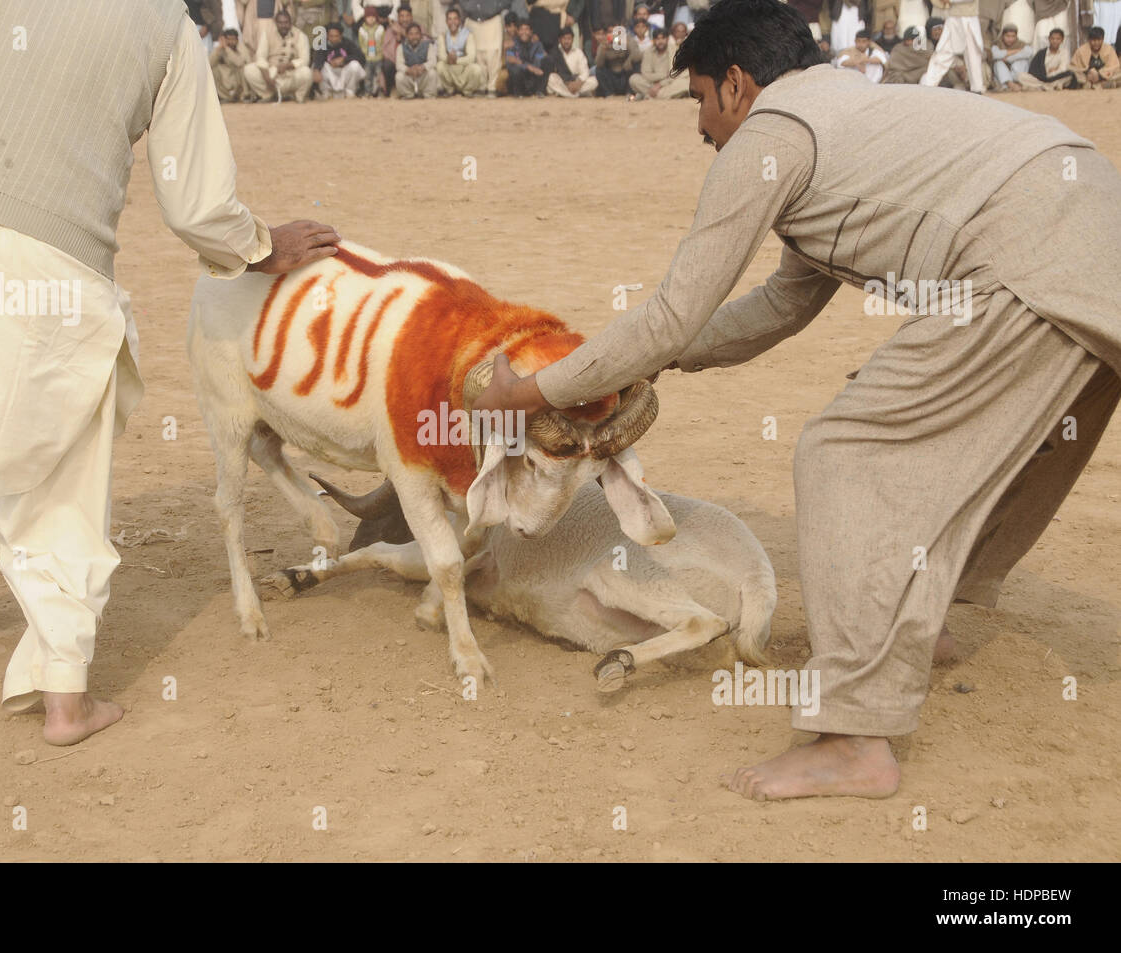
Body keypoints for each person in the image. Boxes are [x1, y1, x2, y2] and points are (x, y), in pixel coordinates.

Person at [471, 0, 1121, 801]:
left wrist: (532, 389)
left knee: (843, 452)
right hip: (1089, 223)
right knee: (966, 433)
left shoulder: (772, 136)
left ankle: (855, 737)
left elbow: (674, 311)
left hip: (1026, 252)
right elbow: (779, 306)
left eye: (701, 99)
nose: (700, 125)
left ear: (737, 85)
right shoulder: (840, 112)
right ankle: (914, 627)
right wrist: (650, 364)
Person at [0, 0, 340, 745]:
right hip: (50, 253)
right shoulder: (167, 28)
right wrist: (261, 244)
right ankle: (63, 690)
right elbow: (194, 202)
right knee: (65, 458)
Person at [246, 8, 314, 102]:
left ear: (291, 23)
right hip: (271, 74)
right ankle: (268, 96)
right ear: (275, 23)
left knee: (307, 72)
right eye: (280, 23)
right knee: (249, 69)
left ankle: (297, 96)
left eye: (286, 22)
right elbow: (260, 57)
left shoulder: (300, 35)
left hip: (291, 75)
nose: (283, 25)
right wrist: (267, 77)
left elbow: (305, 59)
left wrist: (288, 65)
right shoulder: (267, 33)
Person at [920, 0, 984, 93]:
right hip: (953, 17)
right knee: (943, 52)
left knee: (973, 55)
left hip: (969, 17)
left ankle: (977, 89)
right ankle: (928, 85)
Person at [460, 0, 512, 95]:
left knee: (494, 56)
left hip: (492, 21)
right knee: (476, 56)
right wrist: (468, 6)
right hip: (472, 20)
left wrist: (497, 5)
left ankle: (492, 87)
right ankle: (480, 87)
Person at [437, 7, 485, 94]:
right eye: (450, 19)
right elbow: (441, 56)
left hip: (463, 68)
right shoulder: (443, 36)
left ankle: (467, 90)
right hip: (450, 68)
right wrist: (448, 59)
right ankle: (450, 90)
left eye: (455, 19)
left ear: (459, 20)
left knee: (476, 69)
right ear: (446, 21)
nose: (452, 22)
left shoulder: (468, 34)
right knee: (440, 66)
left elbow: (471, 57)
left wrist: (456, 60)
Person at [312, 21, 366, 97]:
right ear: (327, 35)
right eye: (331, 36)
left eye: (336, 36)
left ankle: (350, 92)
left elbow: (361, 57)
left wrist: (344, 59)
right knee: (317, 67)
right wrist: (317, 70)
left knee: (355, 65)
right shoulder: (322, 45)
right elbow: (318, 59)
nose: (333, 38)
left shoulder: (347, 43)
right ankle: (326, 92)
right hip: (331, 73)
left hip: (345, 73)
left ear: (341, 35)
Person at [630, 26, 689, 96]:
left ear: (667, 39)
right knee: (634, 79)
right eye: (657, 39)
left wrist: (661, 84)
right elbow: (646, 74)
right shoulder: (648, 52)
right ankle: (662, 95)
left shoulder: (674, 50)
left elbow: (675, 74)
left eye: (663, 38)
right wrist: (664, 75)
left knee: (684, 82)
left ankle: (652, 95)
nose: (660, 42)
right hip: (651, 83)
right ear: (653, 40)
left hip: (670, 82)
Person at [545, 26, 598, 94]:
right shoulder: (556, 53)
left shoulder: (578, 52)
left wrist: (577, 83)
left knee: (594, 81)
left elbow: (585, 71)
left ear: (573, 39)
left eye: (569, 39)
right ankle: (573, 94)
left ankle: (565, 93)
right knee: (551, 78)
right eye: (564, 38)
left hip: (577, 82)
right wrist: (568, 84)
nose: (566, 41)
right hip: (563, 83)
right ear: (559, 40)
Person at [593, 21, 640, 94]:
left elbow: (637, 56)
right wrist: (603, 50)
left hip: (625, 74)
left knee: (636, 65)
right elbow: (598, 64)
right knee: (599, 70)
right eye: (610, 32)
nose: (614, 35)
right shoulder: (604, 44)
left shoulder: (628, 39)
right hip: (612, 76)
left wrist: (626, 44)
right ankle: (609, 94)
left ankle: (630, 93)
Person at [382, 3, 419, 93]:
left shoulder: (418, 28)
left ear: (411, 17)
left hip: (415, 63)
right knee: (387, 65)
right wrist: (397, 41)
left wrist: (404, 34)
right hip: (396, 62)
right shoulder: (392, 29)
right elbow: (385, 50)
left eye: (407, 16)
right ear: (398, 18)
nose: (405, 19)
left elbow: (424, 43)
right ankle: (391, 89)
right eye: (402, 16)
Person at [396, 19, 439, 95]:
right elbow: (399, 65)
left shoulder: (428, 45)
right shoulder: (401, 47)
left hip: (422, 77)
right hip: (409, 77)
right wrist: (408, 70)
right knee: (399, 76)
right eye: (411, 34)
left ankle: (428, 95)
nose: (414, 37)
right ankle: (408, 95)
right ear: (407, 35)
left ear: (421, 35)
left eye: (416, 34)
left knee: (432, 73)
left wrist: (422, 67)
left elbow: (433, 61)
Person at [505, 17, 548, 93]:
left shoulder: (536, 44)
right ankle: (518, 93)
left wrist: (534, 68)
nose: (524, 32)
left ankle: (540, 91)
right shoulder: (513, 43)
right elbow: (510, 59)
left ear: (531, 31)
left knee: (548, 61)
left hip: (533, 77)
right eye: (521, 29)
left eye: (527, 29)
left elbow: (540, 59)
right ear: (517, 31)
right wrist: (528, 67)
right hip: (519, 78)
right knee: (515, 69)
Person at [210, 28, 253, 102]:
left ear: (237, 40)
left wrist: (227, 49)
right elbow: (209, 63)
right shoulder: (221, 48)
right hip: (227, 77)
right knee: (214, 70)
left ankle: (246, 95)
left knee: (243, 68)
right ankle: (226, 97)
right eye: (228, 39)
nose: (231, 42)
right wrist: (219, 49)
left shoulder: (241, 48)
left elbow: (240, 63)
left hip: (240, 79)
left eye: (233, 39)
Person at [990, 22, 1031, 90]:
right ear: (1003, 35)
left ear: (1016, 36)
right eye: (1008, 36)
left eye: (1013, 36)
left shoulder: (1021, 43)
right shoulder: (997, 44)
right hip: (1002, 78)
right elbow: (995, 54)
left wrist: (1008, 59)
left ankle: (1017, 83)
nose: (1010, 39)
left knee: (1022, 61)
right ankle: (1010, 84)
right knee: (998, 62)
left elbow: (1029, 52)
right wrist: (1015, 51)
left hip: (1017, 76)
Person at [356, 5, 387, 95]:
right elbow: (361, 43)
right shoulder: (361, 30)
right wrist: (364, 53)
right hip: (367, 58)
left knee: (378, 76)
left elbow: (383, 42)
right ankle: (367, 92)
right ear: (365, 18)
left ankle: (378, 92)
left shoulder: (380, 29)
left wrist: (381, 53)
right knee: (367, 76)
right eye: (369, 17)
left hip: (378, 57)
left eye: (373, 17)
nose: (371, 19)